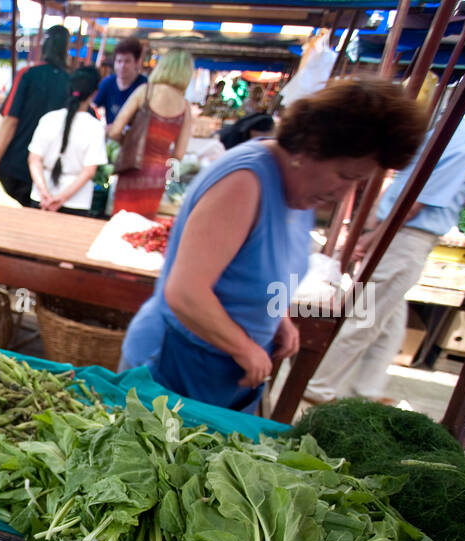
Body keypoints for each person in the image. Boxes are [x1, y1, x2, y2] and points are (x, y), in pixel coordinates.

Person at [117, 78, 425, 413]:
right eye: (345, 175)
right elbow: (186, 293)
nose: (343, 194)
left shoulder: (299, 191)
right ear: (311, 147)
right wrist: (244, 348)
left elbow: (251, 272)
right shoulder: (244, 182)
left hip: (224, 376)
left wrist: (277, 319)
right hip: (175, 365)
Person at [304, 64, 465, 404]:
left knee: (388, 321)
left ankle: (367, 389)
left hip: (404, 233)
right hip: (406, 234)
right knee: (368, 318)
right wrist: (373, 237)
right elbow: (417, 199)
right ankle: (317, 387)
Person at [0, 25, 71, 206]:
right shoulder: (69, 82)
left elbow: (10, 121)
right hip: (45, 172)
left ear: (43, 45)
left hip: (14, 163)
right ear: (66, 50)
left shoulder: (28, 74)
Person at [107, 49, 194, 219]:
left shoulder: (145, 92)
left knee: (121, 223)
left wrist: (127, 141)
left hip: (132, 166)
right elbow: (178, 154)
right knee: (143, 229)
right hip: (158, 174)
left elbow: (115, 130)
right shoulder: (185, 106)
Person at [27, 67, 108, 216]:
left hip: (41, 200)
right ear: (94, 94)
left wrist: (44, 193)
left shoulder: (48, 119)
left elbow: (34, 160)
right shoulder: (95, 127)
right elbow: (89, 171)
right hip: (76, 203)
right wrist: (60, 199)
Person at [92, 37, 147, 126]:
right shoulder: (107, 83)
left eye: (127, 61)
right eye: (119, 61)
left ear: (137, 62)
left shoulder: (145, 86)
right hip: (111, 136)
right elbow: (93, 106)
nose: (122, 66)